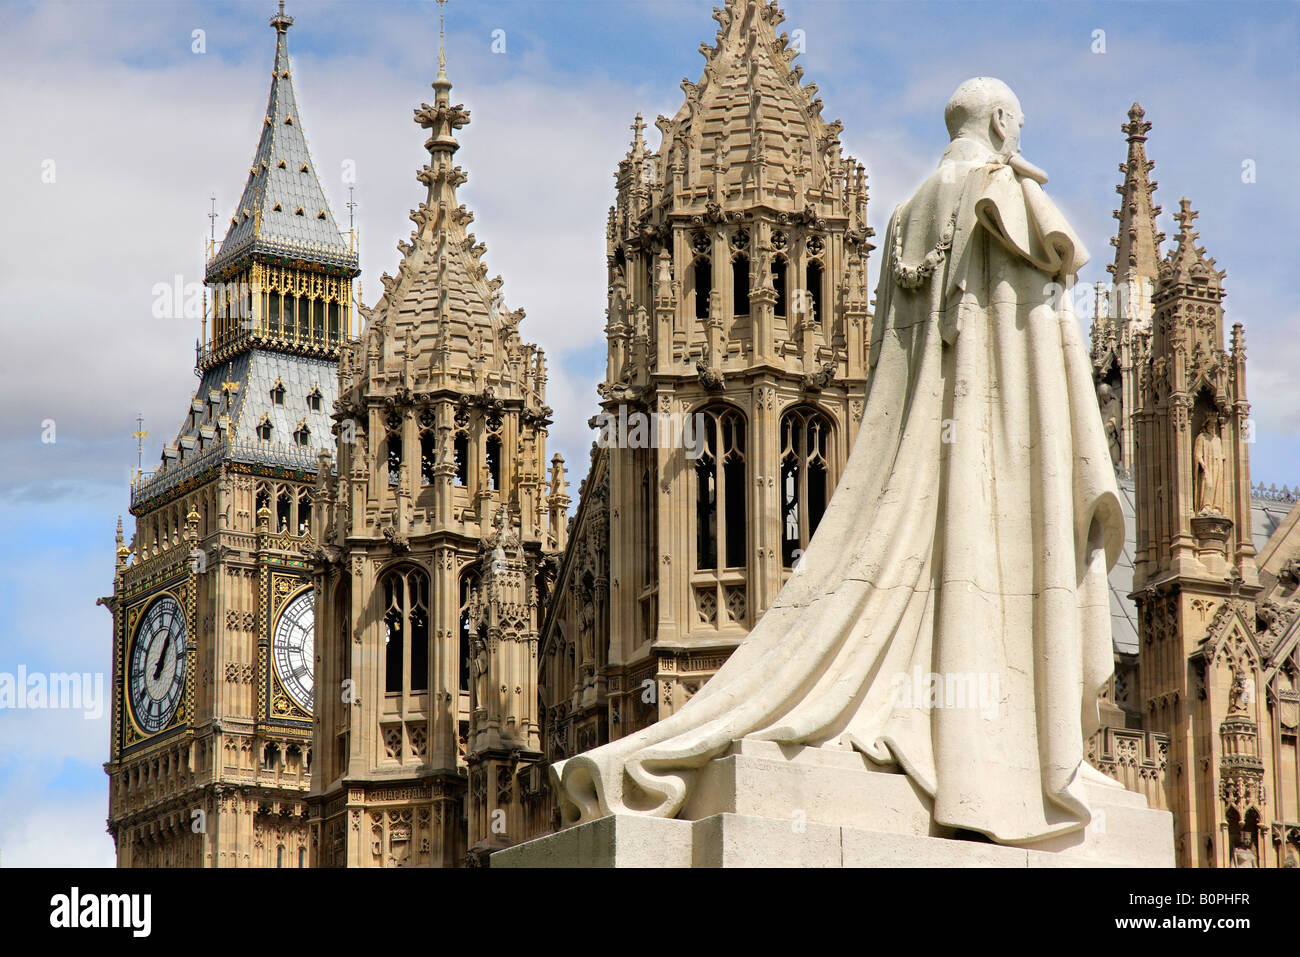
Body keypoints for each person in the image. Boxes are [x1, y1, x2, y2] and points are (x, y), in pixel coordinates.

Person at [554, 78, 1123, 846]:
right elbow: (1036, 324)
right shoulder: (1001, 195)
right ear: (998, 122)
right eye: (1015, 121)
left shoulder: (905, 215)